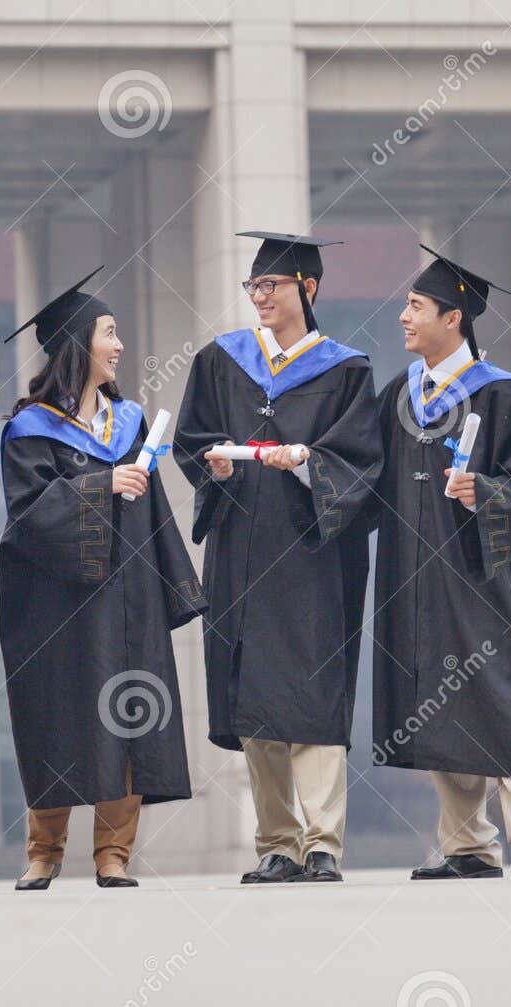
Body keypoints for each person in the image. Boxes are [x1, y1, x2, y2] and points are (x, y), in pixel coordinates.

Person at [173, 231, 382, 885]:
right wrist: (214, 468)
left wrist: (310, 462)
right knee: (255, 693)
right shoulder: (221, 360)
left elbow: (362, 462)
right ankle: (277, 843)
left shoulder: (346, 370)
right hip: (240, 550)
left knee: (312, 693)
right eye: (253, 286)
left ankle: (323, 844)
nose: (259, 296)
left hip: (311, 557)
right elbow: (192, 439)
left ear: (307, 289)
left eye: (271, 285)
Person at [0, 270, 206, 891]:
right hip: (57, 604)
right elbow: (26, 515)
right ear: (77, 343)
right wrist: (101, 484)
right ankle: (44, 851)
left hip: (128, 595)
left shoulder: (130, 423)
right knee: (55, 714)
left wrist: (174, 588)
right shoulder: (29, 429)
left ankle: (113, 853)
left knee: (129, 716)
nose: (118, 346)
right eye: (108, 334)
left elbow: (156, 511)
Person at [371, 244, 511, 880]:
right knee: (438, 699)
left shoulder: (500, 394)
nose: (404, 317)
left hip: (483, 576)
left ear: (453, 318)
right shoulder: (400, 396)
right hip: (418, 577)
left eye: (415, 306)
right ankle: (467, 846)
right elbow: (368, 478)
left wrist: (484, 492)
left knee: (504, 695)